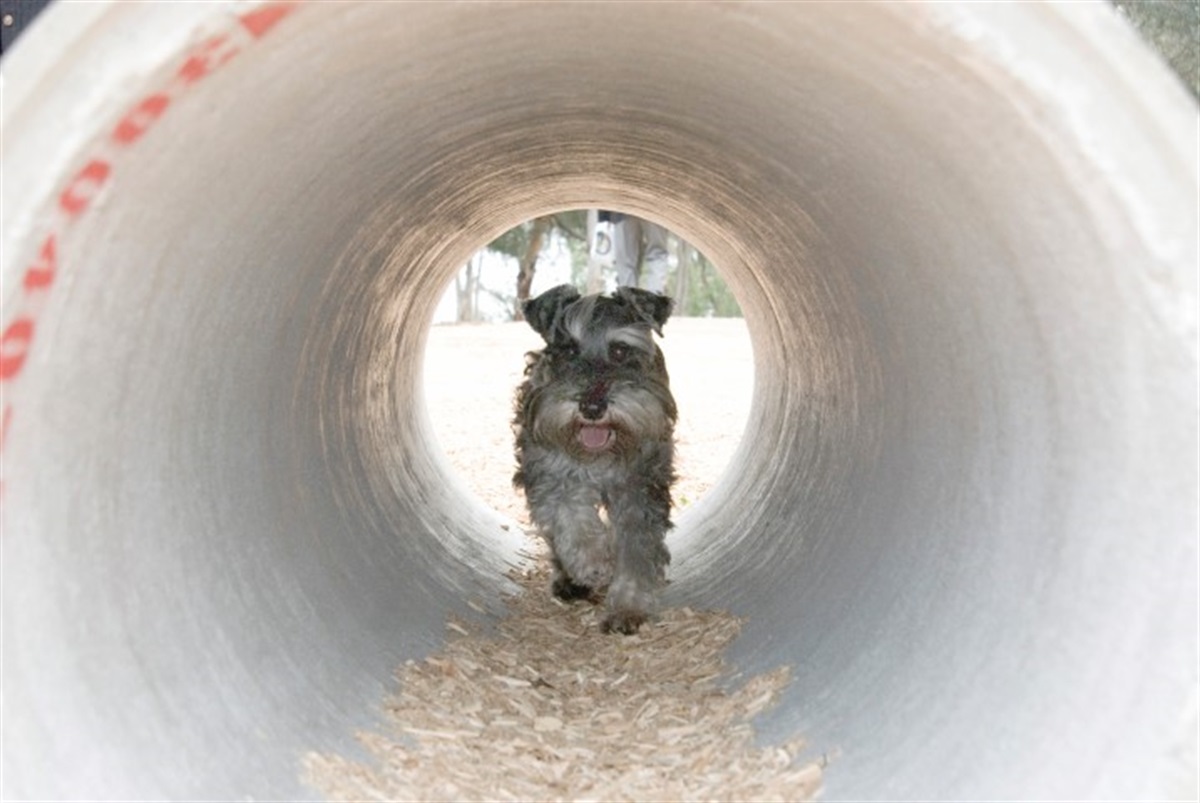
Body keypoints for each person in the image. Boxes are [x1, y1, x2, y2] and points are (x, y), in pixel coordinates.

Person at [599, 211, 670, 293]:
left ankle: (628, 303)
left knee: (626, 263)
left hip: (623, 209)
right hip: (656, 208)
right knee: (657, 254)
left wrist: (603, 217)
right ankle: (654, 299)